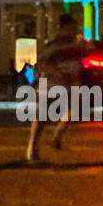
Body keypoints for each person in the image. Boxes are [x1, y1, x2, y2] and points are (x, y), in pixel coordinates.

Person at [25, 12, 84, 163]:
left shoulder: (77, 44)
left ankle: (55, 137)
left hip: (69, 84)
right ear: (63, 28)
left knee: (75, 109)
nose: (74, 30)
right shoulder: (54, 45)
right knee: (41, 117)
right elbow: (41, 64)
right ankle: (32, 149)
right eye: (71, 27)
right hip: (51, 84)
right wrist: (59, 73)